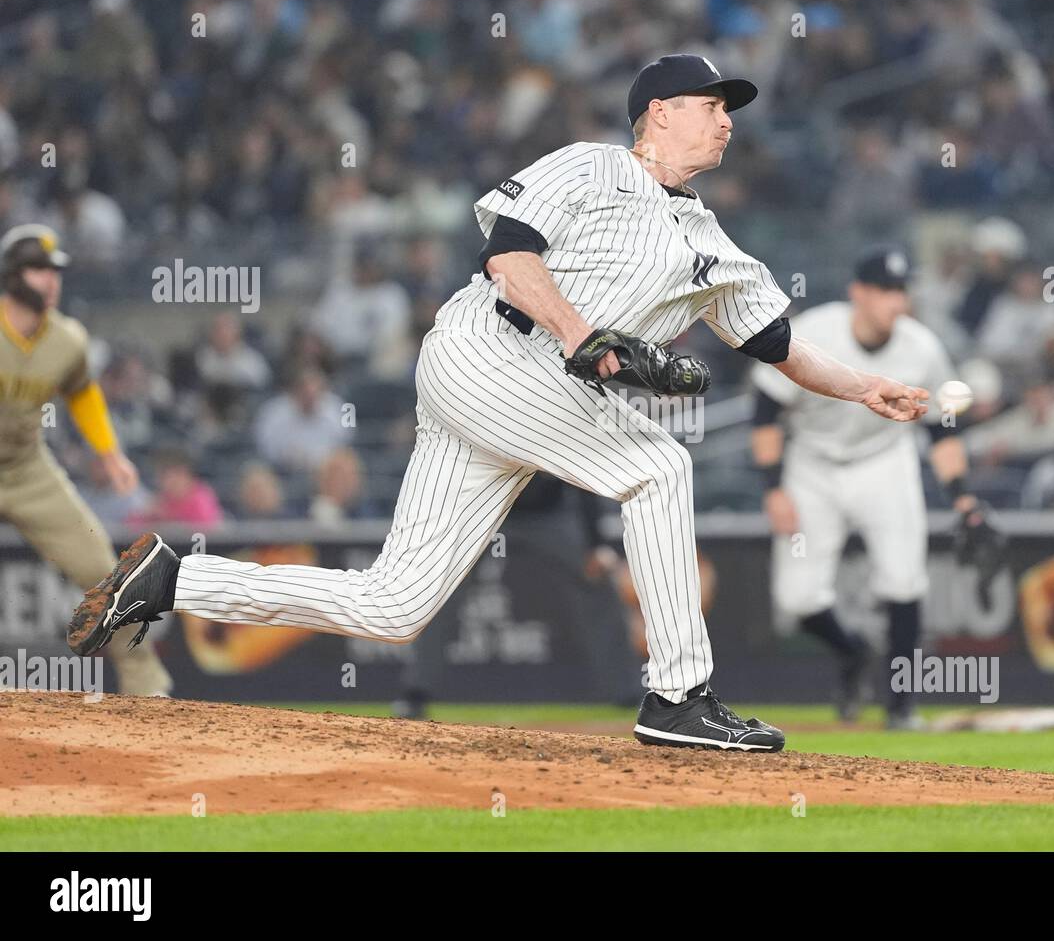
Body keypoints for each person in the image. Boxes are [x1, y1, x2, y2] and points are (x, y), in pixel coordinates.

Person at [68, 55, 927, 752]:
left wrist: (865, 385)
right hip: (488, 351)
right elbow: (509, 260)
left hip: (529, 392)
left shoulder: (715, 242)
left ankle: (173, 577)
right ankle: (677, 697)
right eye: (711, 103)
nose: (727, 118)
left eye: (729, 107)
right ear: (658, 112)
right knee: (660, 466)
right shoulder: (593, 166)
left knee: (395, 605)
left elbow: (782, 347)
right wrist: (584, 336)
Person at [751, 247, 977, 730]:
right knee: (797, 600)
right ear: (858, 293)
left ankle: (900, 706)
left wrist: (962, 497)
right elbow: (765, 410)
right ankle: (851, 653)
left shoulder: (922, 347)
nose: (896, 301)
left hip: (885, 462)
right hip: (811, 465)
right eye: (884, 290)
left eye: (901, 290)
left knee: (903, 580)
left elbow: (941, 429)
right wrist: (773, 489)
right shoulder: (816, 331)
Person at [0, 224, 169, 695]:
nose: (51, 280)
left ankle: (146, 686)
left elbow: (83, 393)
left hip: (28, 470)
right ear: (12, 274)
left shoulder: (67, 340)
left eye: (55, 271)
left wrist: (110, 454)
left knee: (104, 574)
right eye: (38, 270)